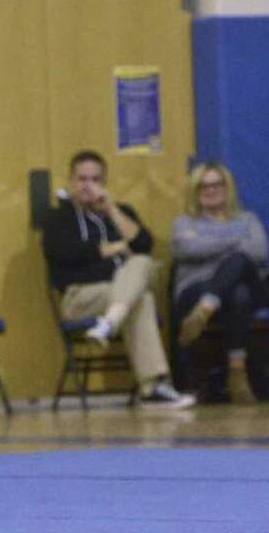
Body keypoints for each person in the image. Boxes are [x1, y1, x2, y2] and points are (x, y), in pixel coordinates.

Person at [42, 150, 194, 410]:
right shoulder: (58, 218)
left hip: (116, 296)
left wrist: (110, 209)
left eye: (95, 179)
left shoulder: (122, 211)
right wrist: (110, 249)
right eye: (82, 179)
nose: (88, 186)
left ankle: (111, 323)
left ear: (104, 182)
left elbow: (143, 244)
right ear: (71, 181)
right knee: (140, 294)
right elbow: (63, 255)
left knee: (143, 268)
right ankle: (153, 387)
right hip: (81, 296)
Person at [172, 162, 268, 406]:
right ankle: (237, 371)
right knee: (238, 291)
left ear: (228, 188)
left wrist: (211, 243)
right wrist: (234, 240)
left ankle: (205, 310)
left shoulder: (247, 218)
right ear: (195, 191)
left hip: (251, 288)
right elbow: (187, 248)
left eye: (216, 184)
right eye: (203, 186)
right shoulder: (184, 222)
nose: (210, 190)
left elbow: (260, 250)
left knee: (240, 263)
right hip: (195, 288)